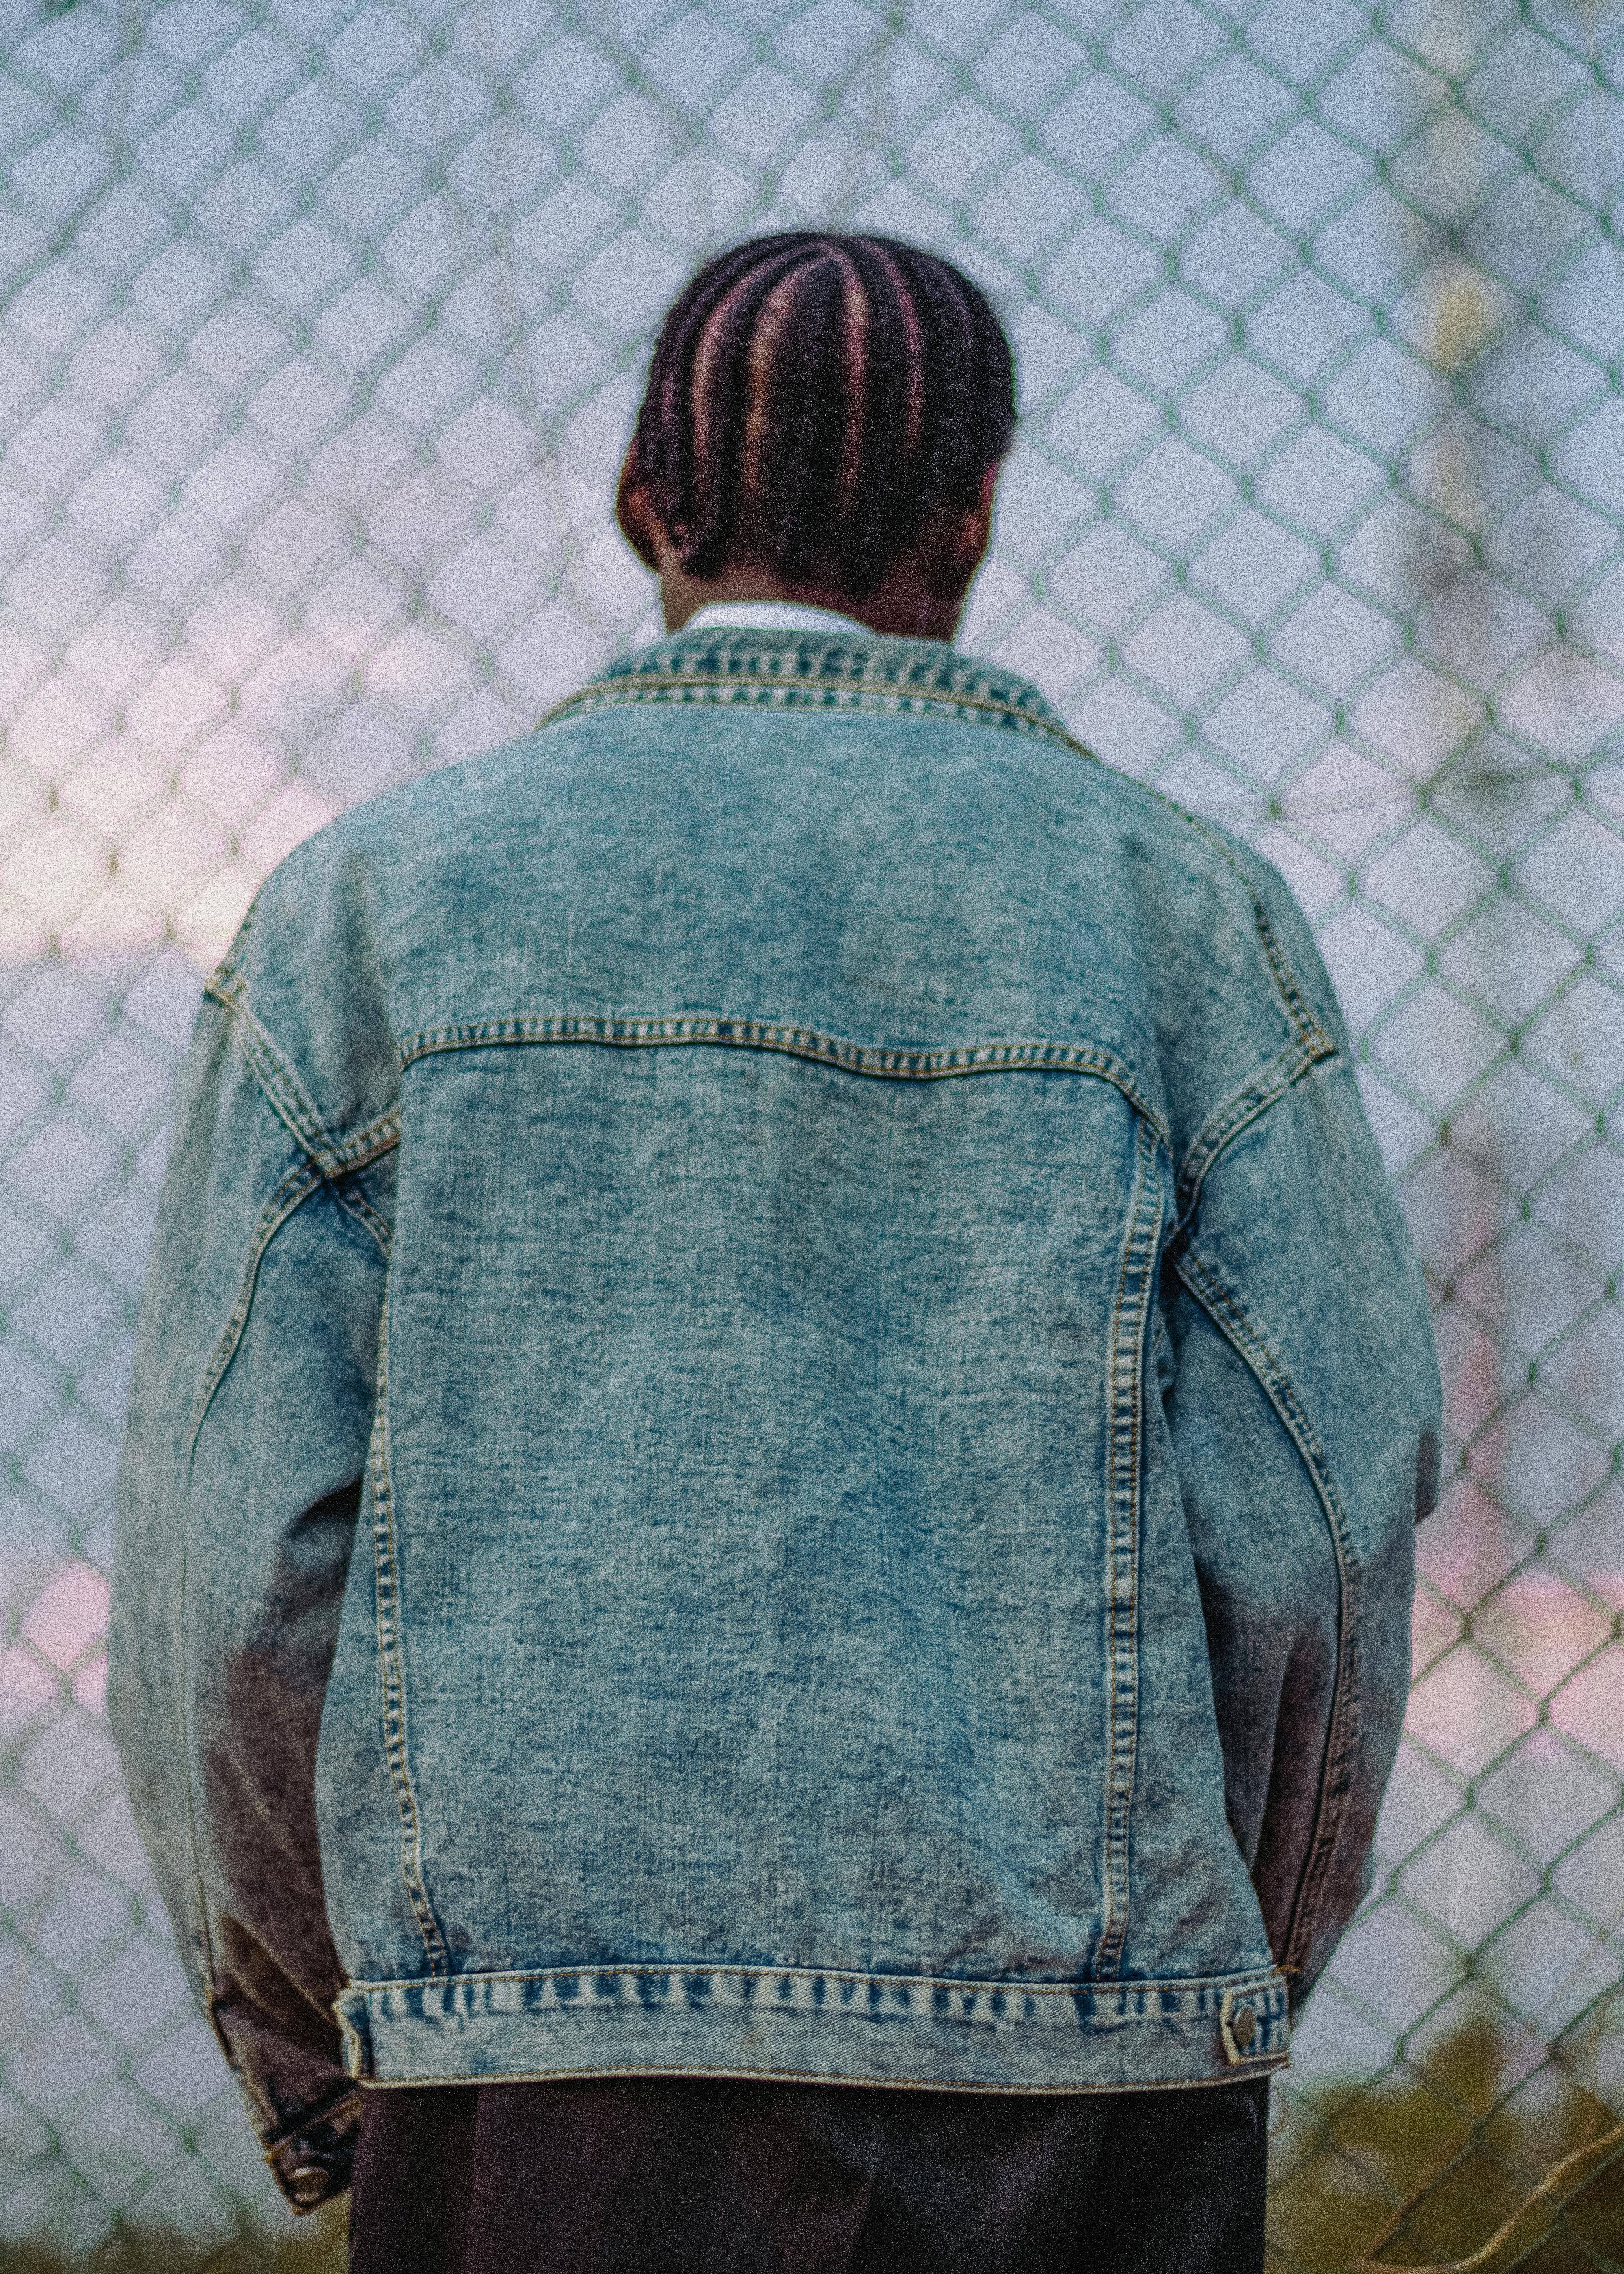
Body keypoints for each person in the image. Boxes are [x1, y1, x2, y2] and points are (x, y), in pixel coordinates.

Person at [110, 232, 1441, 2274]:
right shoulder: (1183, 916)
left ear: (644, 502)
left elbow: (237, 1579)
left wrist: (356, 2023)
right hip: (1072, 2082)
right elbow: (1316, 1545)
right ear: (973, 513)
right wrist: (1180, 1984)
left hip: (528, 2074)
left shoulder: (366, 912)